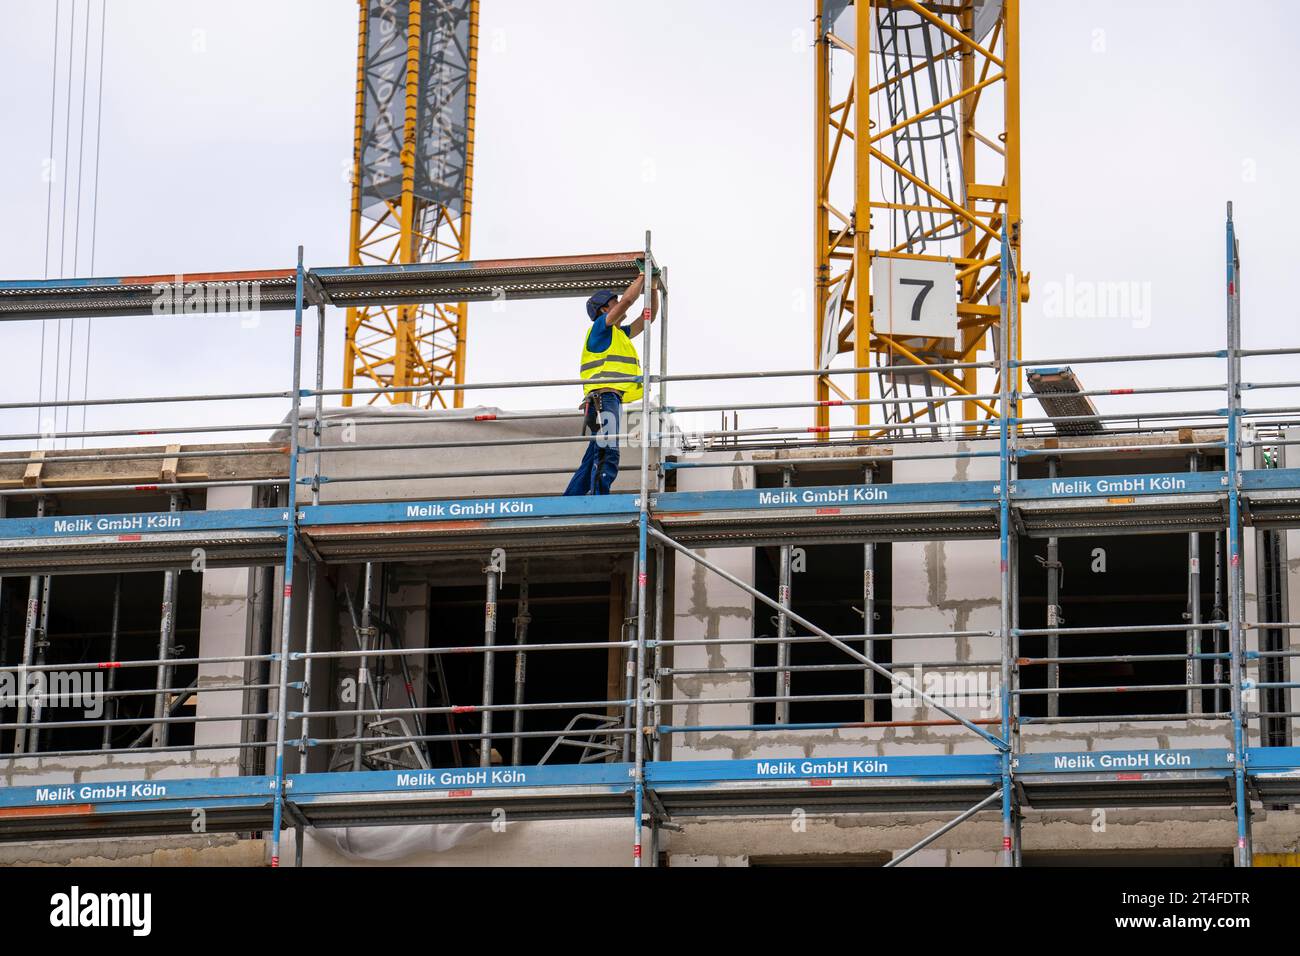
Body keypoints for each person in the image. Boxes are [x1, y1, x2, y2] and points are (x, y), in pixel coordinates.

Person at [563, 273, 656, 496]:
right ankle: (599, 499)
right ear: (605, 310)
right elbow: (627, 301)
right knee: (608, 450)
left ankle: (571, 499)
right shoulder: (600, 327)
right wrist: (642, 276)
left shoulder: (618, 334)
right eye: (613, 302)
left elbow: (648, 318)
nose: (619, 304)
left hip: (609, 399)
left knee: (594, 455)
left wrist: (652, 287)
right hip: (603, 399)